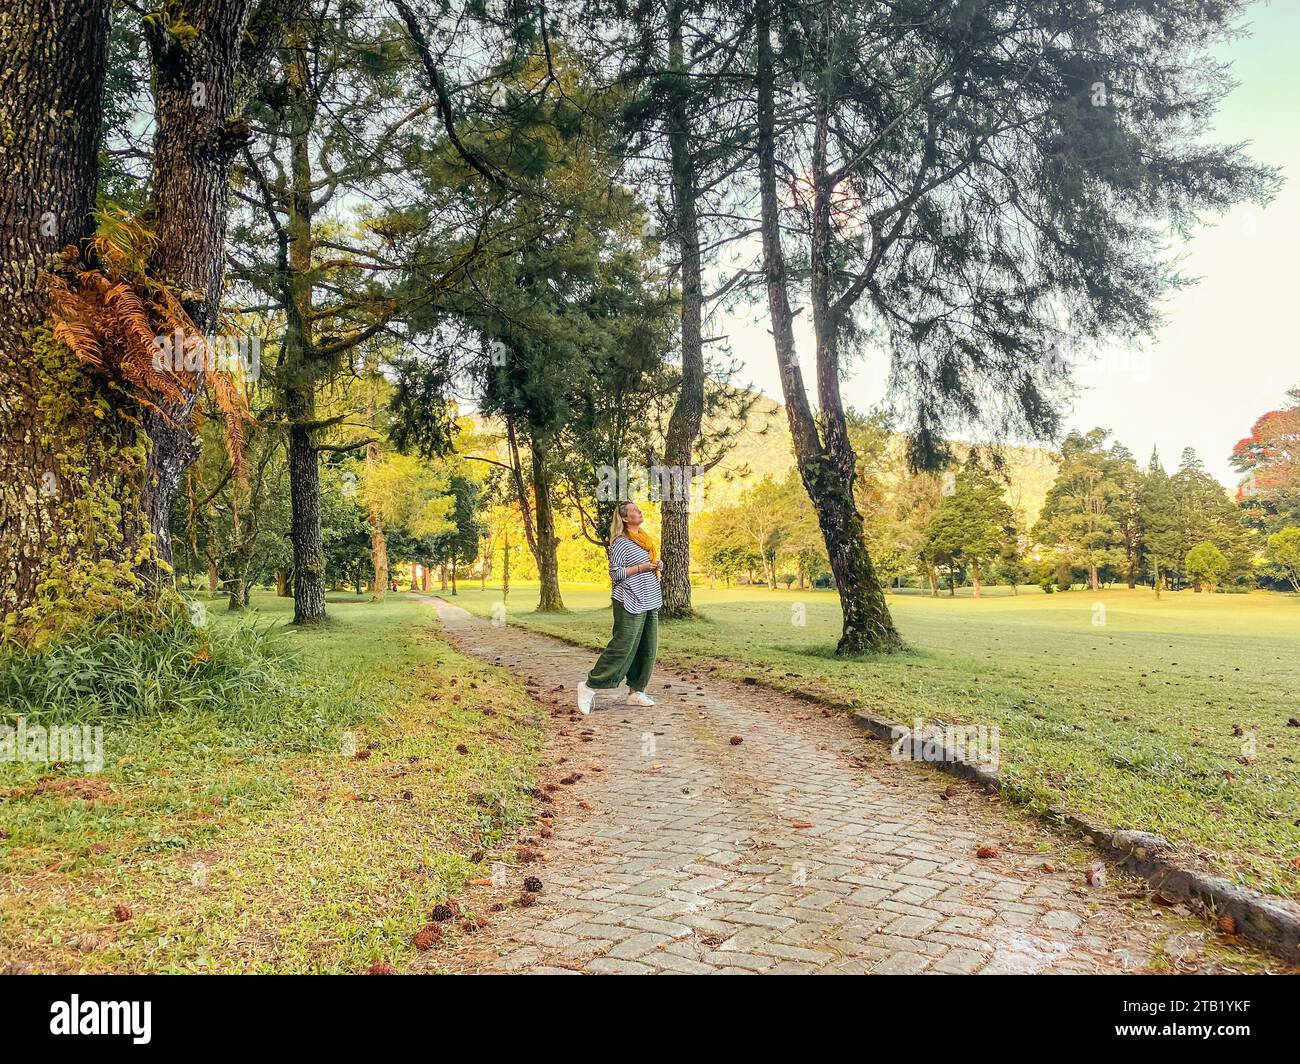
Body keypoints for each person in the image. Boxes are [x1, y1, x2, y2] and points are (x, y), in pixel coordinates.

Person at [577, 501, 662, 714]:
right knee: (622, 646)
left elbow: (648, 564)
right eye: (633, 510)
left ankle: (636, 691)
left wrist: (657, 566)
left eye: (638, 509)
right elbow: (615, 574)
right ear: (624, 518)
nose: (639, 511)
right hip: (629, 599)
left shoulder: (645, 539)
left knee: (647, 648)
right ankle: (589, 686)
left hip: (650, 598)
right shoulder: (620, 543)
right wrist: (642, 567)